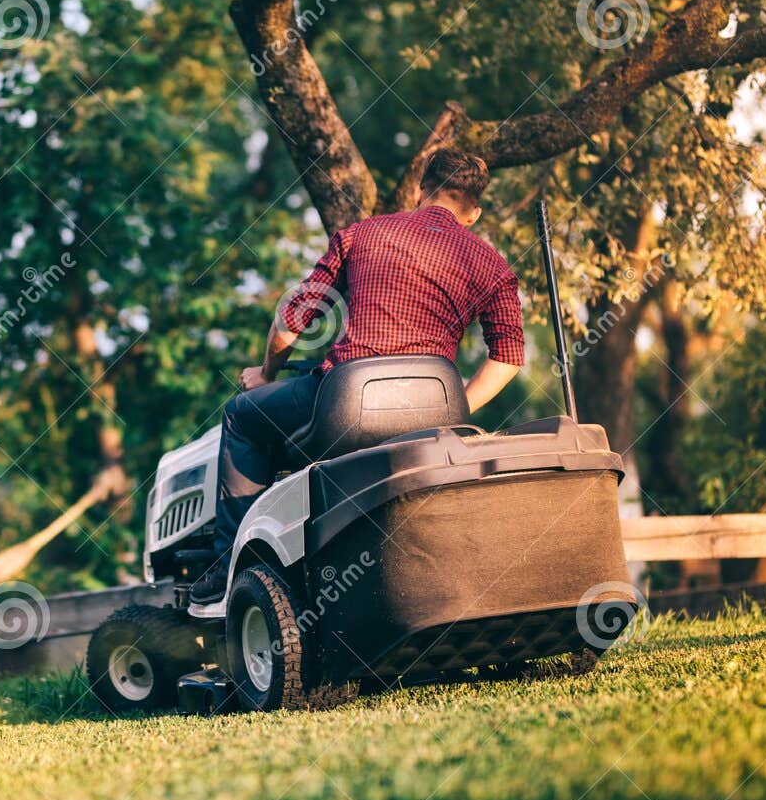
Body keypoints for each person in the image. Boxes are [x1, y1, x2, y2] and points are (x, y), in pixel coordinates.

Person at [188, 148, 526, 607]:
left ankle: (230, 567)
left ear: (421, 190)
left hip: (348, 403)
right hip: (433, 412)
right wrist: (456, 405)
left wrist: (266, 374)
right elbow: (507, 356)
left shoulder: (363, 234)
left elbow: (291, 322)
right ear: (474, 211)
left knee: (240, 417)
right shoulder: (492, 265)